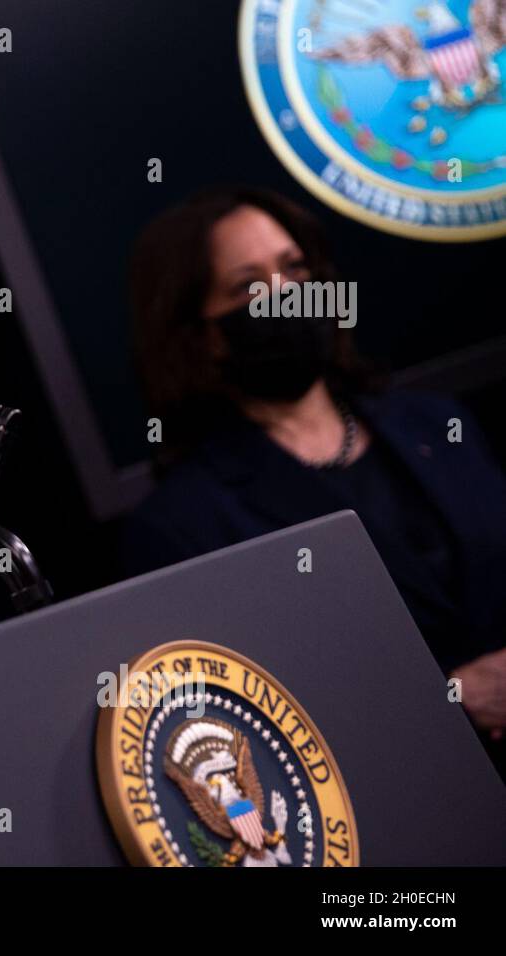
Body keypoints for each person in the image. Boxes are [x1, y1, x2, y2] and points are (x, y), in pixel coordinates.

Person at [120, 185, 506, 779]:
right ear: (203, 335)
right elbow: (244, 730)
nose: (286, 299)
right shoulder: (185, 524)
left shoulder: (437, 422)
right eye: (250, 287)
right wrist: (449, 697)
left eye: (294, 269)